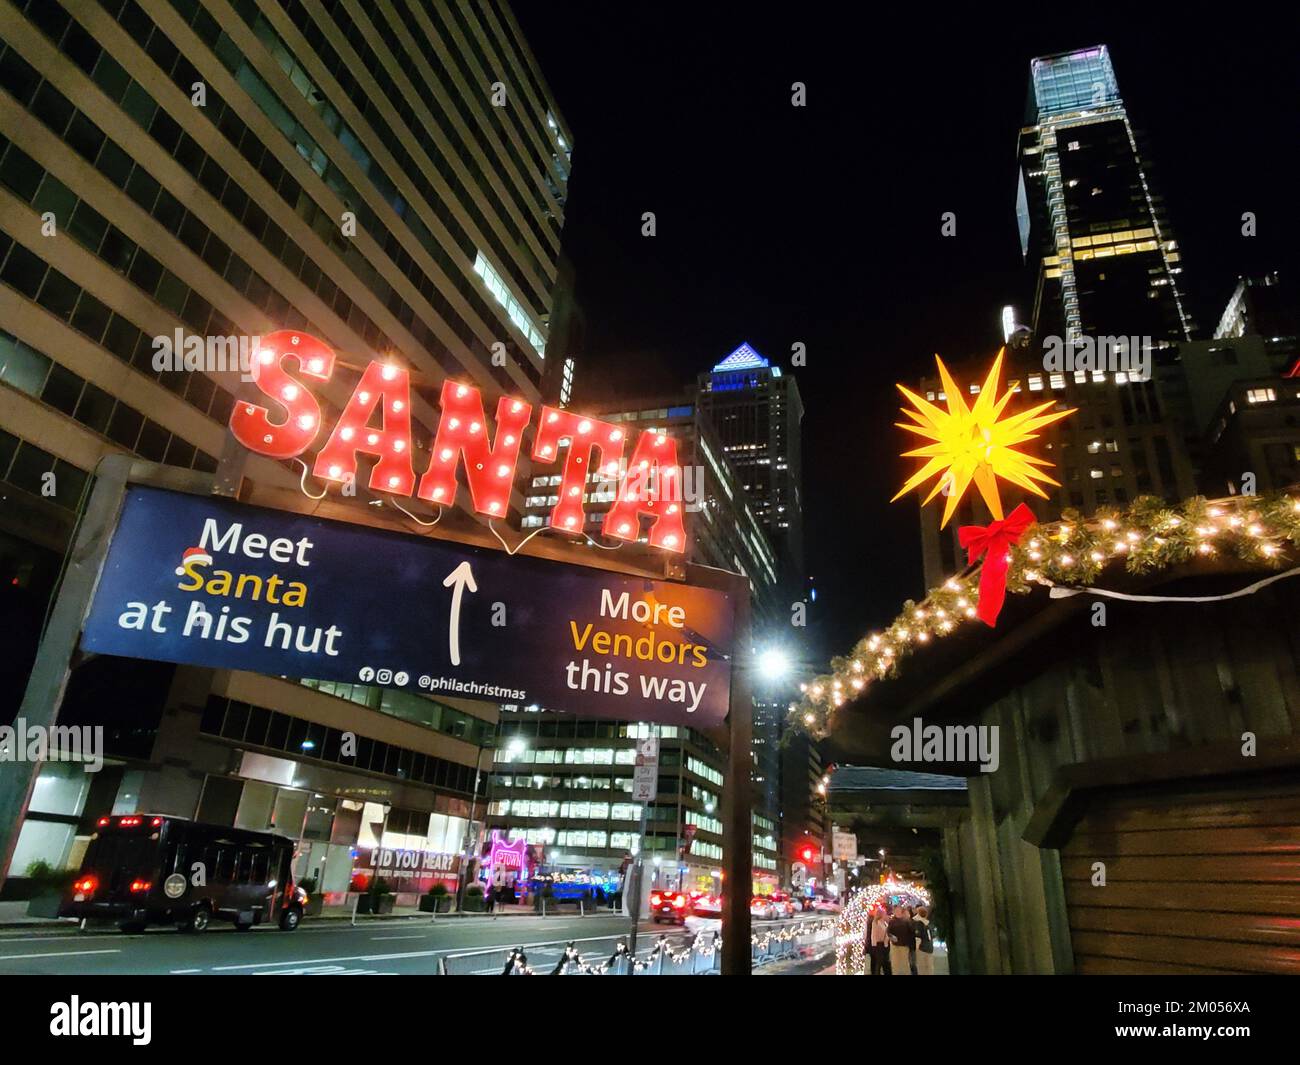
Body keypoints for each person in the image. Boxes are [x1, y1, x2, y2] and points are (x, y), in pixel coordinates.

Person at [887, 904, 917, 976]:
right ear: (894, 912)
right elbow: (888, 932)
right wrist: (892, 937)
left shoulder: (906, 921)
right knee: (895, 964)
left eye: (898, 910)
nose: (897, 912)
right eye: (895, 910)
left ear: (901, 911)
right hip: (895, 946)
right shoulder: (892, 921)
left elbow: (912, 931)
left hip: (904, 945)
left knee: (905, 964)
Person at [868, 906, 891, 975]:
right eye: (884, 913)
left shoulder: (884, 923)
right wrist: (874, 946)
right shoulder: (876, 923)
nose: (885, 915)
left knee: (885, 963)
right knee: (879, 963)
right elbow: (873, 935)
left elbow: (887, 933)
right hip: (878, 945)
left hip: (885, 945)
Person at [912, 906, 935, 975]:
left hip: (922, 948)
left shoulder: (919, 924)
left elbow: (918, 937)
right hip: (930, 948)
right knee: (929, 967)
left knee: (921, 968)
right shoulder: (929, 923)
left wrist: (916, 948)